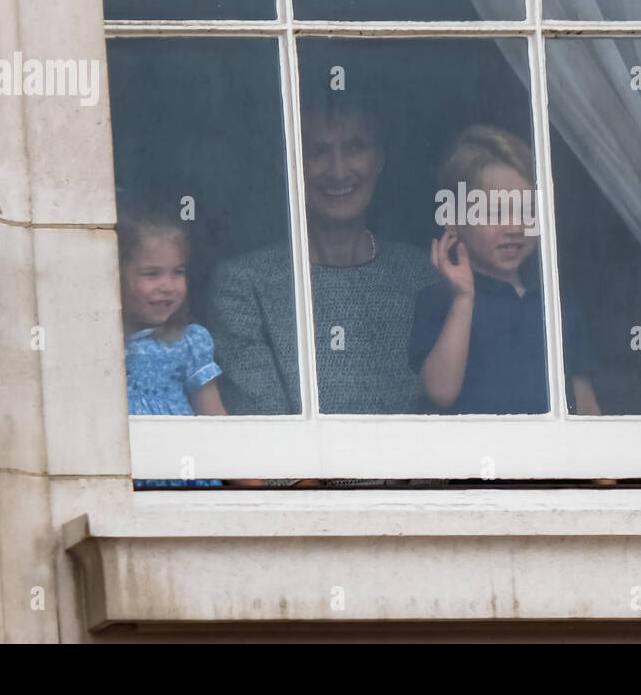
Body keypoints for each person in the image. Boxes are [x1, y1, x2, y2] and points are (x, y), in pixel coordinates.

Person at [208, 94, 438, 414]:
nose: (339, 171)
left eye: (356, 147)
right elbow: (265, 423)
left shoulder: (421, 274)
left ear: (379, 160)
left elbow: (440, 409)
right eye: (318, 152)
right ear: (287, 164)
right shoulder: (246, 284)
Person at [409, 125, 601, 415]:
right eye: (494, 213)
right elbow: (441, 392)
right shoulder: (442, 300)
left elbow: (584, 400)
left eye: (527, 211)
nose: (515, 228)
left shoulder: (555, 304)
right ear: (451, 218)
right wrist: (463, 299)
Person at [118, 207, 225, 488]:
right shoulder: (101, 347)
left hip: (185, 483)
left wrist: (250, 484)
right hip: (125, 483)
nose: (168, 286)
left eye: (177, 273)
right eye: (152, 274)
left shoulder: (188, 341)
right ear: (115, 275)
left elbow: (214, 419)